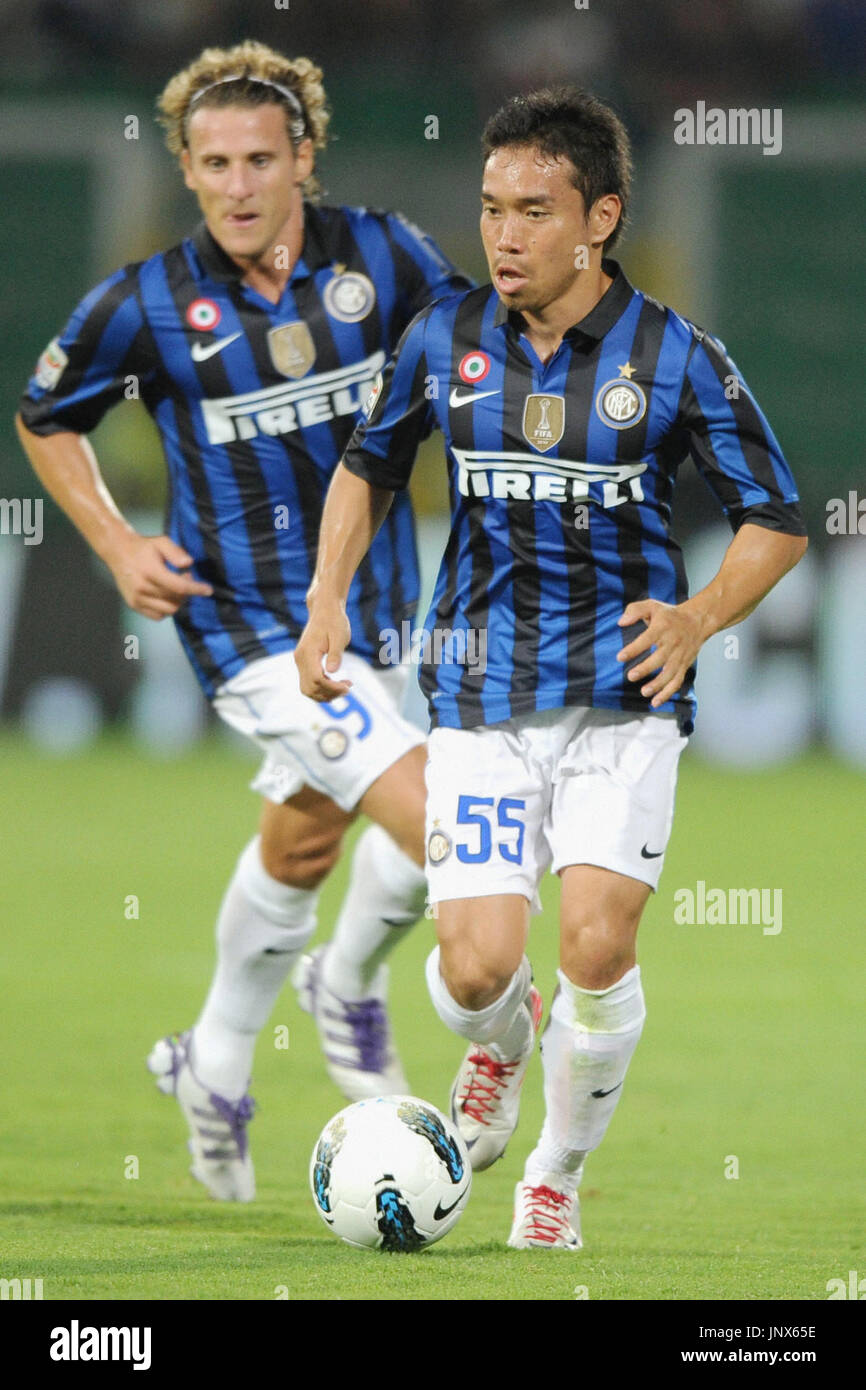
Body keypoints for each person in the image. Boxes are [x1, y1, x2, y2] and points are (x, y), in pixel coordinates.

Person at [295, 87, 808, 1249]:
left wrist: (694, 617)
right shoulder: (442, 337)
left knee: (594, 943)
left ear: (601, 218)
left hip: (623, 703)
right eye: (489, 208)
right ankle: (500, 1042)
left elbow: (773, 519)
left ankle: (554, 1178)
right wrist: (326, 595)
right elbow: (368, 466)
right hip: (478, 698)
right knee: (475, 972)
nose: (504, 234)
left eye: (534, 210)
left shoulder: (672, 357)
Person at [16, 40, 472, 1203]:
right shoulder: (147, 302)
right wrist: (117, 541)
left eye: (258, 158)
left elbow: (465, 373)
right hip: (250, 635)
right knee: (450, 827)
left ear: (302, 158)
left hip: (372, 613)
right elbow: (43, 414)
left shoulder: (381, 254)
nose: (235, 183)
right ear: (183, 167)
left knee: (312, 838)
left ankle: (214, 1060)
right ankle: (363, 989)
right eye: (212, 162)